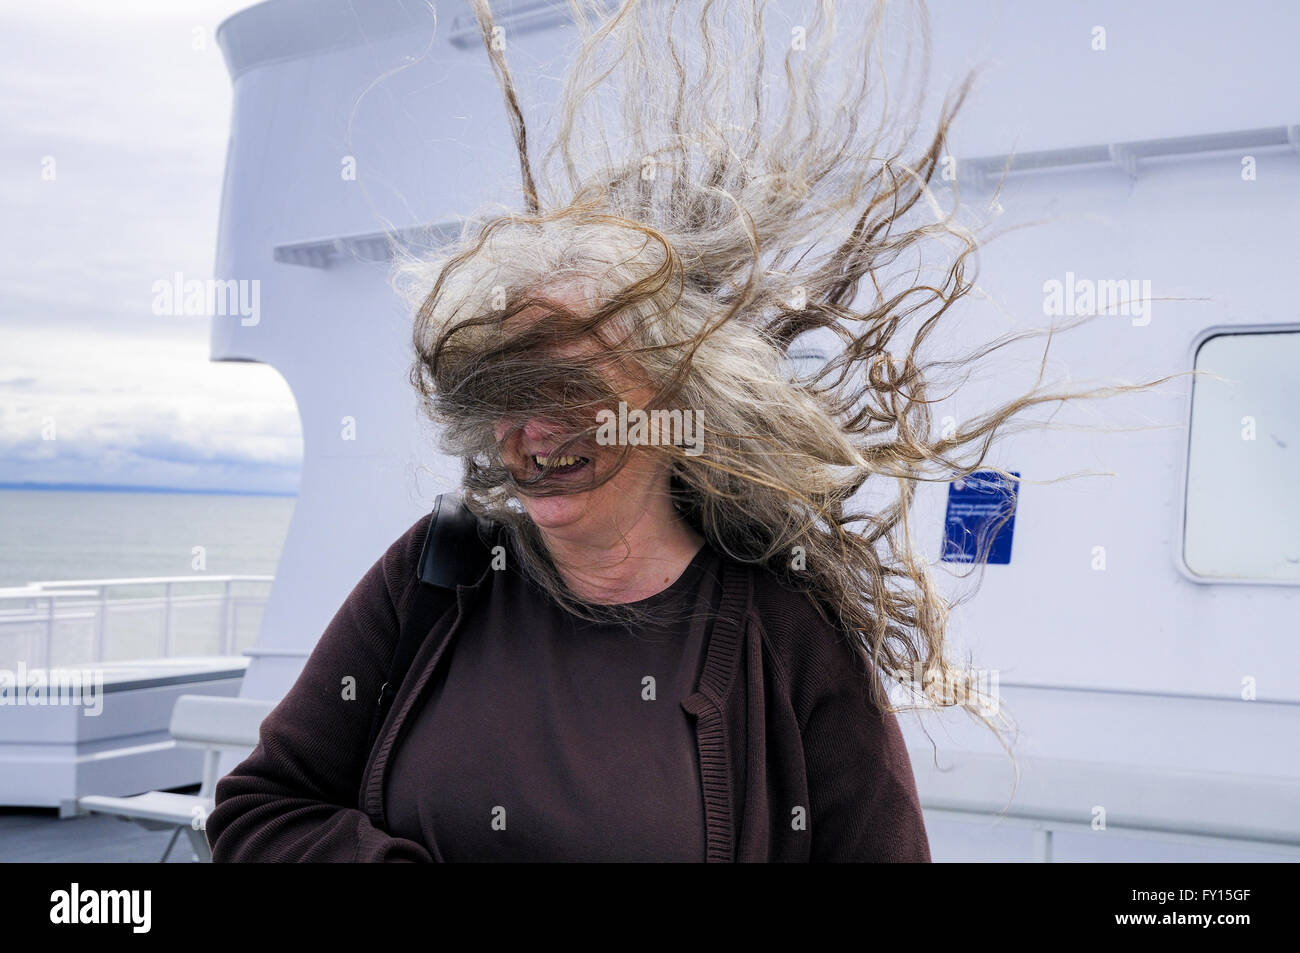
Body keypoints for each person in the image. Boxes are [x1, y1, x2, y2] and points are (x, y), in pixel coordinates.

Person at [205, 0, 1161, 862]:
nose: (531, 432)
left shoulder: (787, 634)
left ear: (670, 404)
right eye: (505, 395)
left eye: (567, 391)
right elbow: (258, 809)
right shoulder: (440, 569)